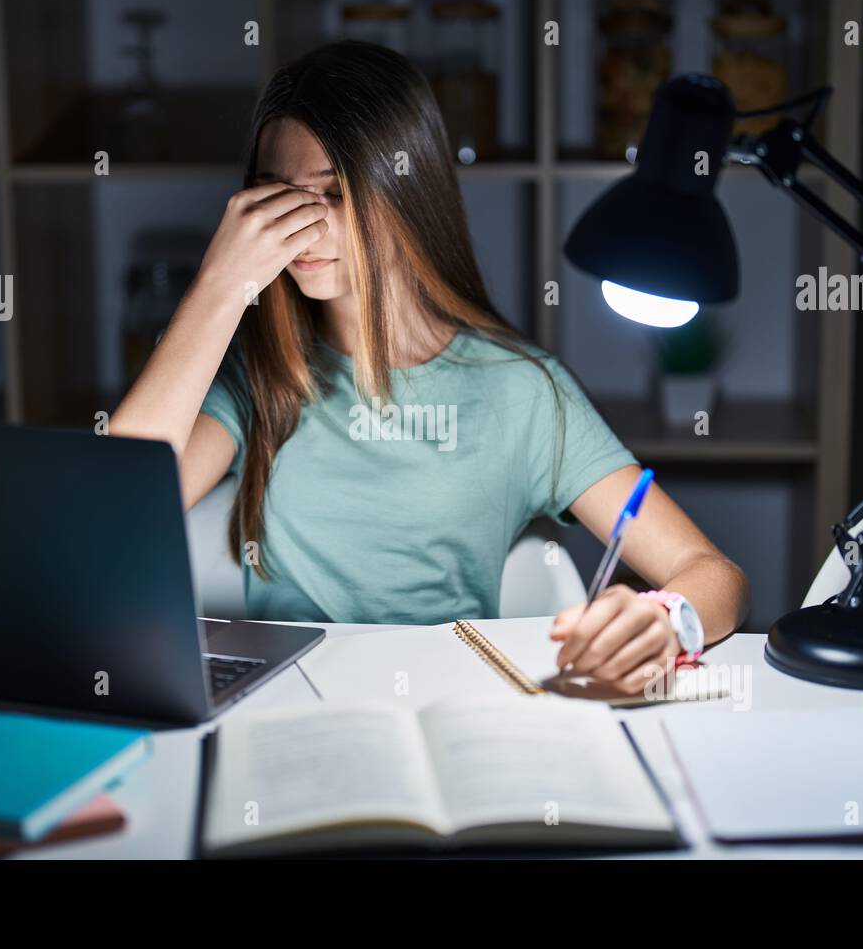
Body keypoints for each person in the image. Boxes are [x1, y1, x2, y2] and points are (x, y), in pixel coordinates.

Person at [112, 41, 749, 695]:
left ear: (406, 191)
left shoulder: (521, 390)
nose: (305, 229)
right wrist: (220, 284)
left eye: (335, 192)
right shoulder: (261, 369)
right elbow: (116, 514)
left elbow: (714, 575)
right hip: (288, 705)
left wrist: (666, 619)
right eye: (279, 198)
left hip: (450, 707)